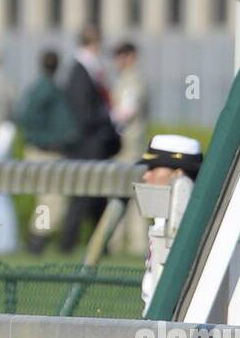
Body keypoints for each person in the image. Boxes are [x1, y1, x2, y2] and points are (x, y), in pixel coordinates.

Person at [59, 24, 122, 251]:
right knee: (83, 197)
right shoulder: (80, 71)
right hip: (87, 144)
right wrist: (109, 118)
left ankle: (100, 246)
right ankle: (68, 244)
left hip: (91, 143)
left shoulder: (85, 69)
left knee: (95, 198)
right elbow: (84, 112)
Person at [13, 50, 78, 253]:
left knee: (49, 199)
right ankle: (37, 240)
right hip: (44, 152)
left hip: (45, 152)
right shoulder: (45, 89)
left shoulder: (44, 86)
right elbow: (26, 119)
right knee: (51, 200)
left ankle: (37, 239)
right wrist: (48, 140)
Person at [137, 133, 204, 312]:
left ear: (177, 173)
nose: (146, 176)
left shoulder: (190, 224)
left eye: (153, 168)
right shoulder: (162, 219)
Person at [111, 41, 149, 253]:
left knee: (129, 196)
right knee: (125, 194)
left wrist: (106, 117)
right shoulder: (126, 79)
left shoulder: (133, 81)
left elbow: (127, 111)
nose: (117, 61)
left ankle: (134, 243)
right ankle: (118, 242)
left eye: (121, 56)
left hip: (130, 147)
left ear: (131, 56)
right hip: (127, 146)